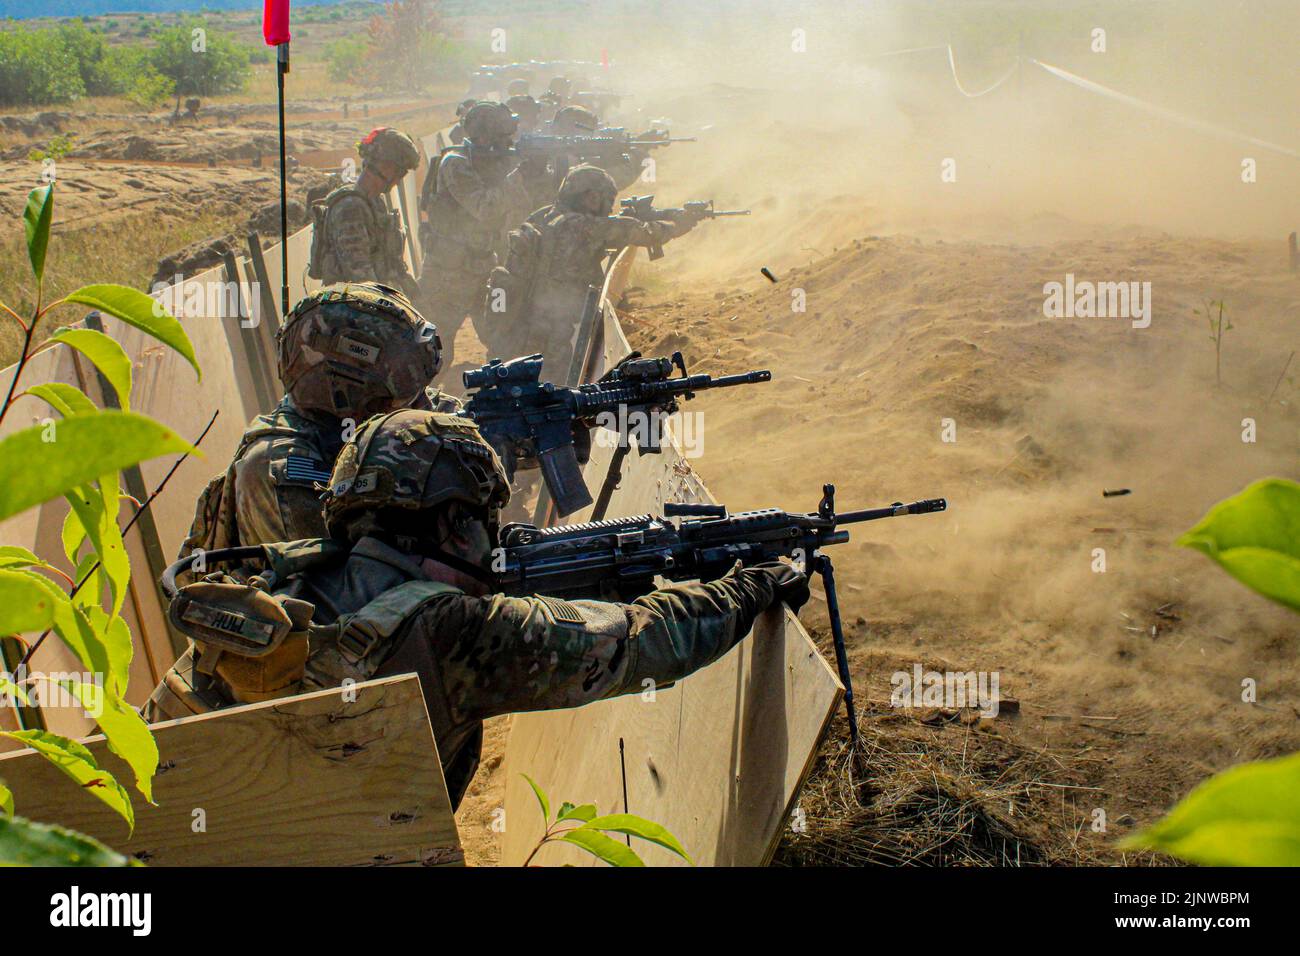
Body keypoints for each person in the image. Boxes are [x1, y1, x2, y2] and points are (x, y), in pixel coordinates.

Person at [147, 409, 809, 807]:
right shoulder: (451, 631)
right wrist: (753, 584)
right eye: (483, 522)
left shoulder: (270, 593)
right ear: (457, 520)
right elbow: (640, 643)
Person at [177, 283, 452, 557]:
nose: (425, 404)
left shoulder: (361, 427)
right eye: (406, 388)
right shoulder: (281, 468)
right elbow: (342, 589)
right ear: (348, 392)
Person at [485, 165, 696, 373]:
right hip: (550, 334)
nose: (609, 208)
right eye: (607, 200)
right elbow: (647, 233)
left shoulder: (543, 217)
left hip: (519, 326)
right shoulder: (581, 227)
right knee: (556, 390)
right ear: (591, 197)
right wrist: (682, 221)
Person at [418, 102, 530, 374]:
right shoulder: (455, 164)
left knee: (502, 340)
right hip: (448, 274)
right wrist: (519, 175)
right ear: (486, 135)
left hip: (483, 269)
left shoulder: (492, 164)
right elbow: (486, 209)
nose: (509, 141)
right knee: (434, 353)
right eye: (503, 135)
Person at [307, 127, 421, 300]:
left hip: (377, 305)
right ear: (387, 167)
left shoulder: (374, 203)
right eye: (401, 172)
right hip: (357, 312)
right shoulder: (350, 209)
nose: (398, 181)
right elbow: (361, 278)